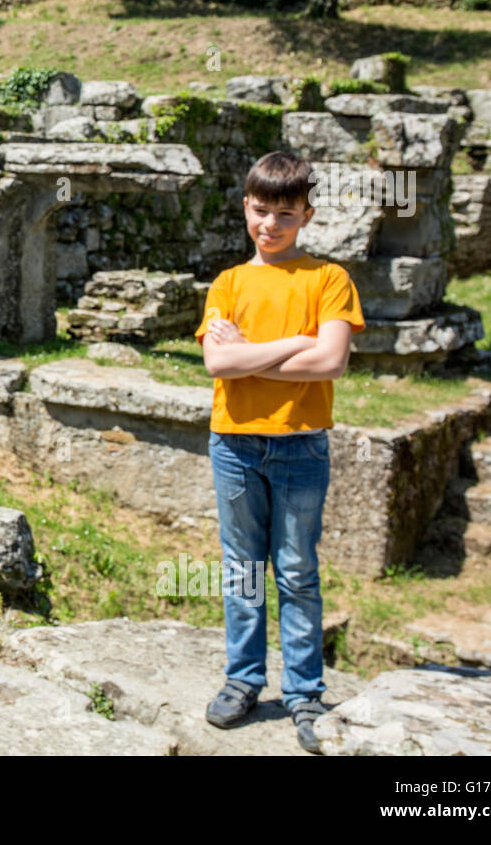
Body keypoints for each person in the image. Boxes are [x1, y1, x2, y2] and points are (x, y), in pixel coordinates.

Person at [193, 151, 365, 754]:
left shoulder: (329, 279)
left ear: (307, 215)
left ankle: (305, 694)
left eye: (285, 214)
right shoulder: (229, 283)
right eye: (261, 211)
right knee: (242, 569)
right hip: (234, 445)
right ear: (246, 207)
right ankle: (242, 681)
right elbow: (219, 363)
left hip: (300, 448)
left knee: (296, 572)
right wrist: (298, 342)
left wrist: (258, 352)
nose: (271, 225)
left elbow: (332, 361)